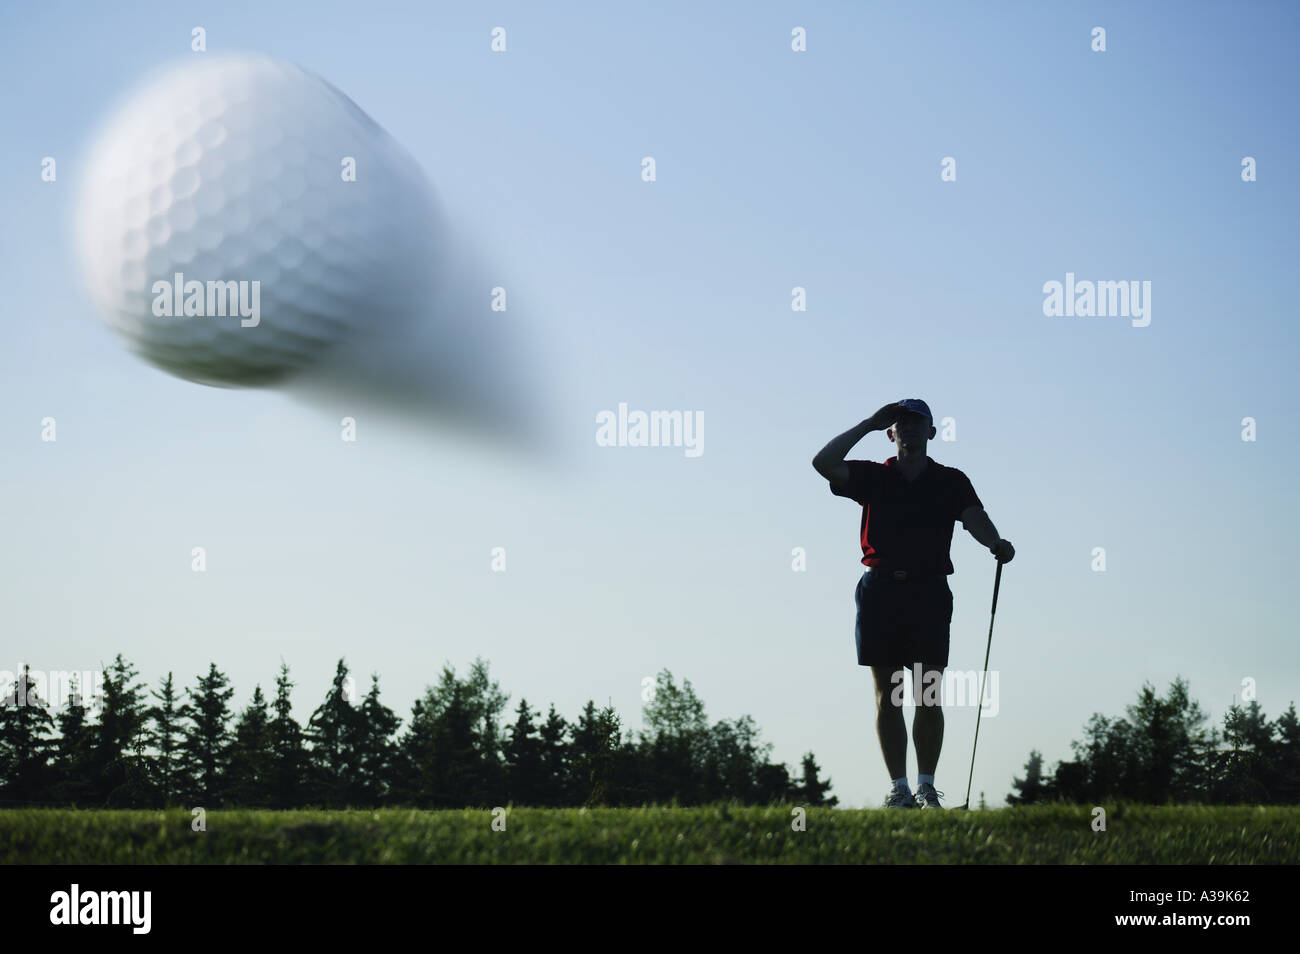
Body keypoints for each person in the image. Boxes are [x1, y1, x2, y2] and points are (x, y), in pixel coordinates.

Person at [812, 399, 1014, 809]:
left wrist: (995, 542)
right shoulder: (873, 475)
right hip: (880, 590)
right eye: (901, 423)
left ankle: (925, 787)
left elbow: (973, 516)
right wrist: (868, 423)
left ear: (931, 432)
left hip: (928, 591)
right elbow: (823, 461)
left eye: (917, 423)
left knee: (928, 693)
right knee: (889, 695)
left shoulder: (951, 480)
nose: (908, 429)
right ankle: (899, 789)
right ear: (892, 432)